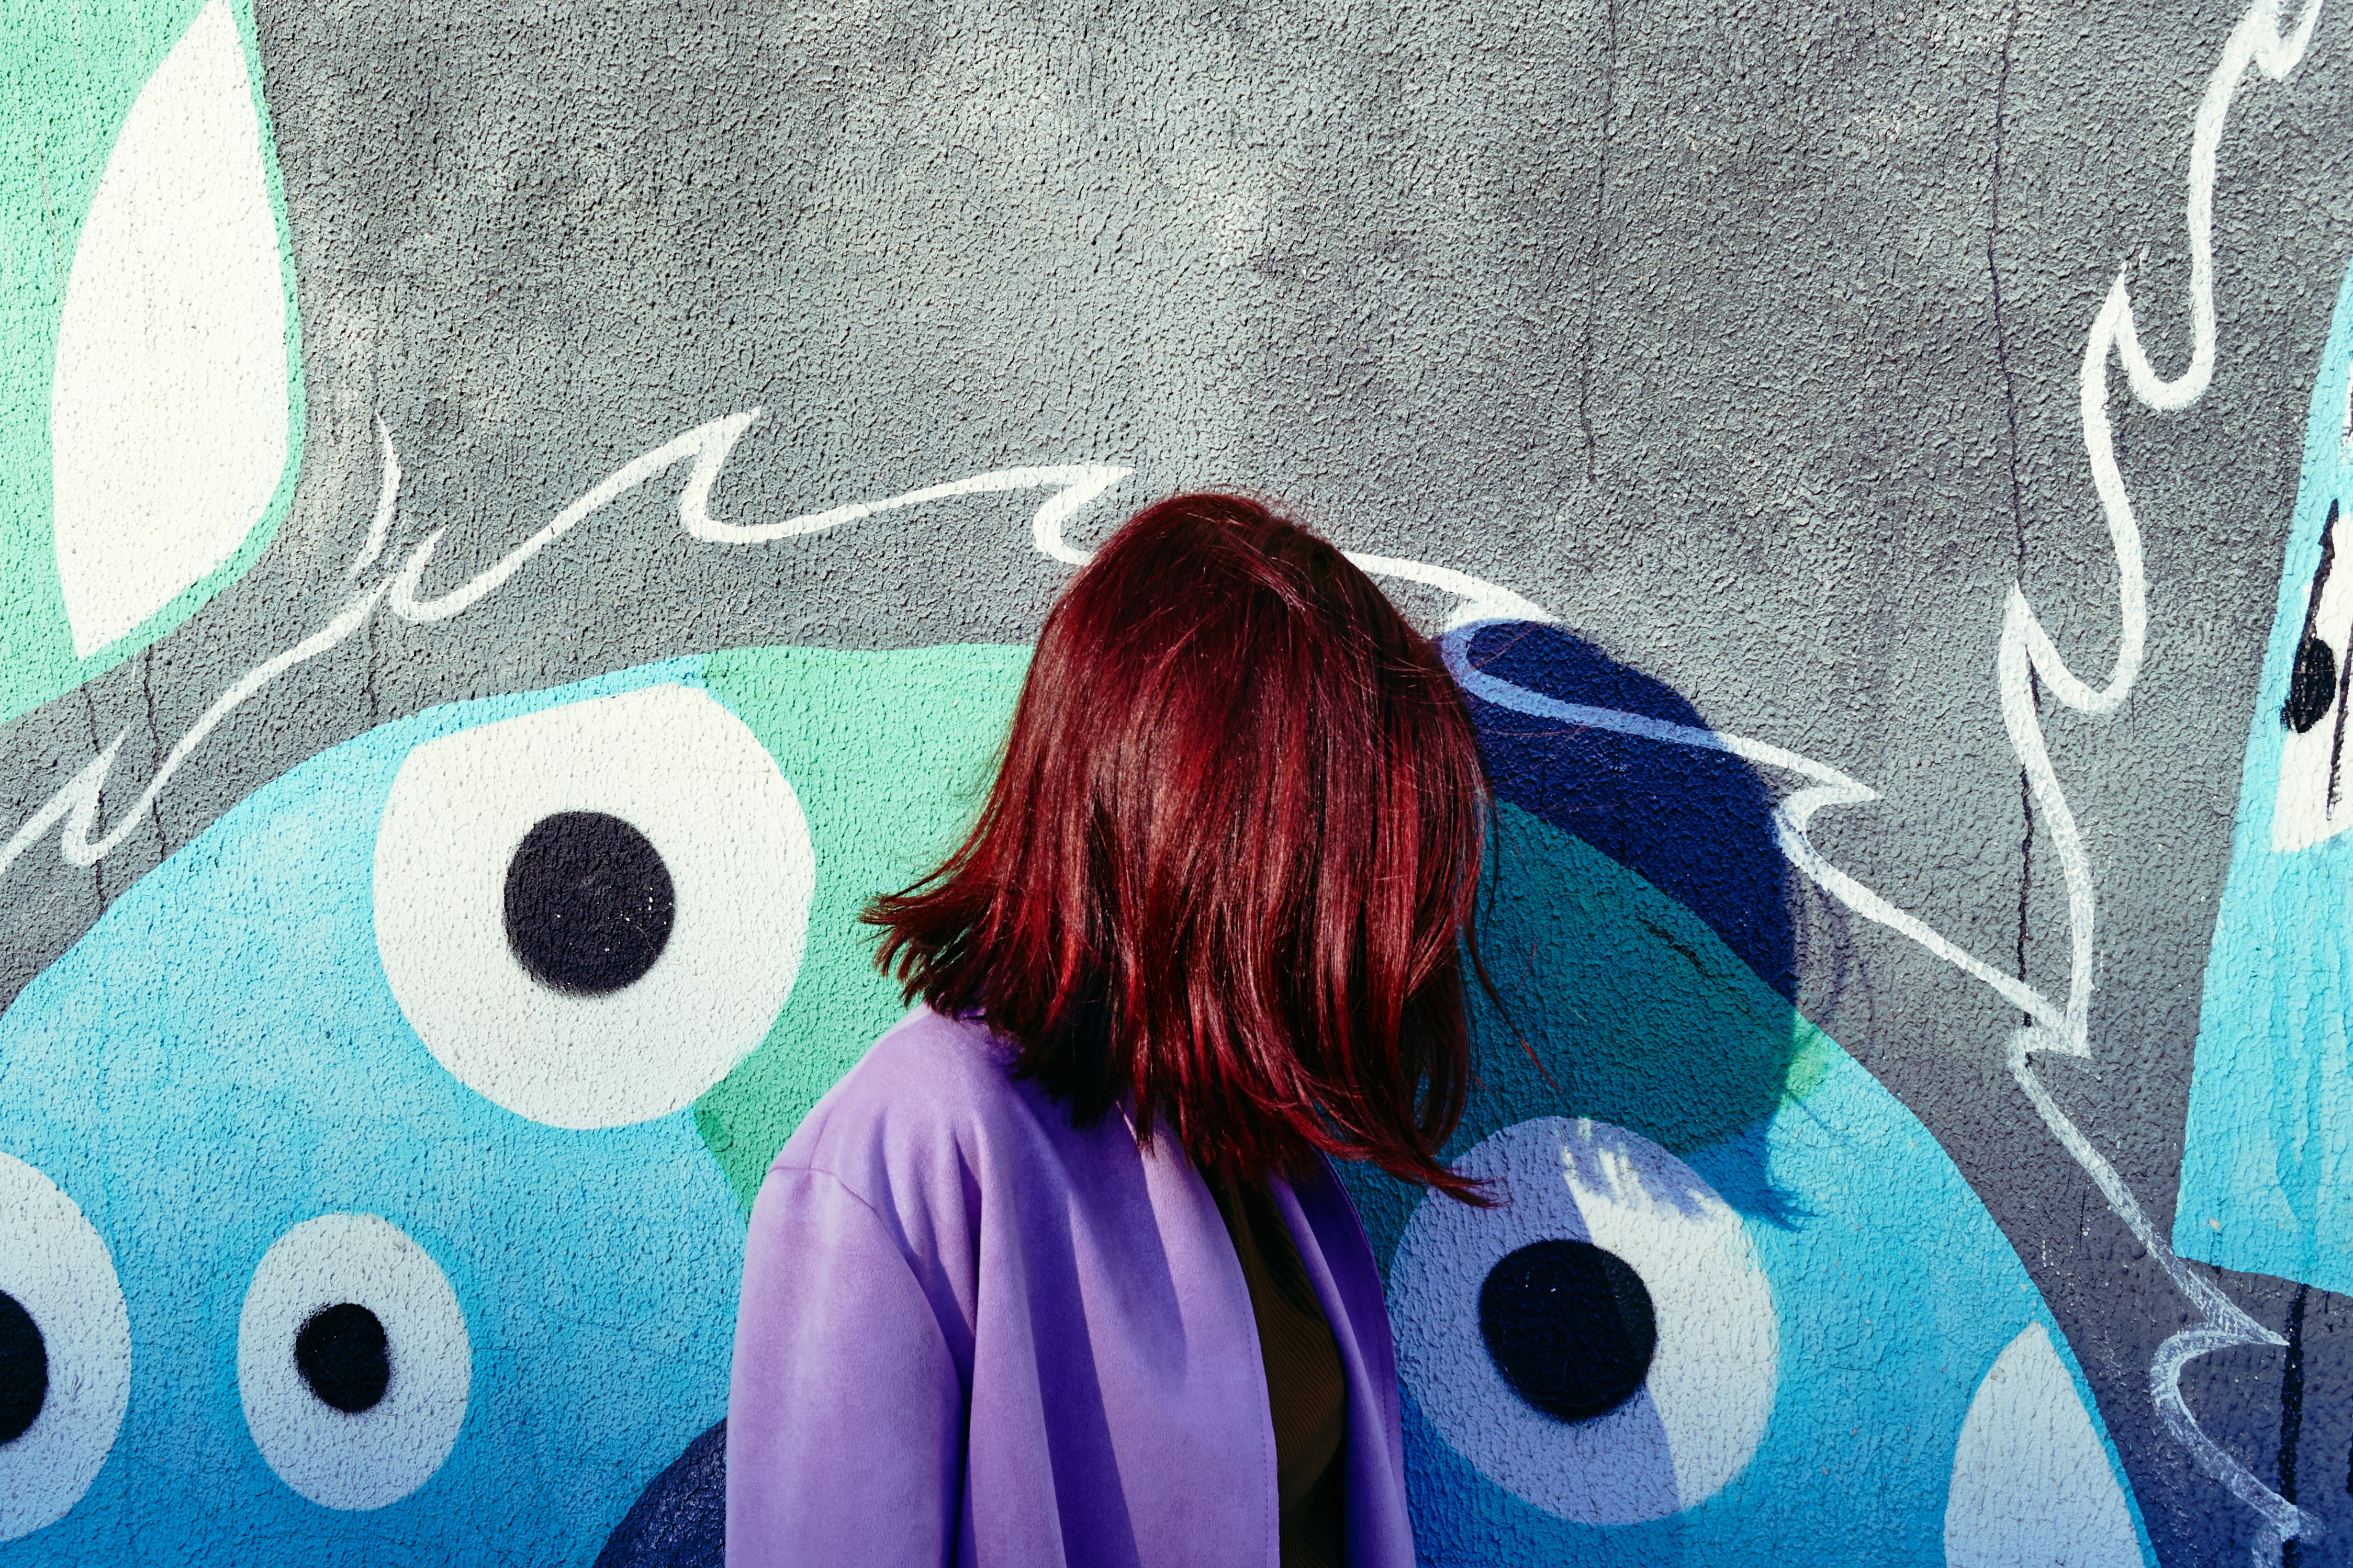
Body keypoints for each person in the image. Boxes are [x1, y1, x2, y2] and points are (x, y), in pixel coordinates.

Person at [724, 492, 1492, 1567]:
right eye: (1356, 846)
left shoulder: (1267, 1161)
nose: (1396, 918)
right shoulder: (914, 1149)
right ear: (1214, 827)